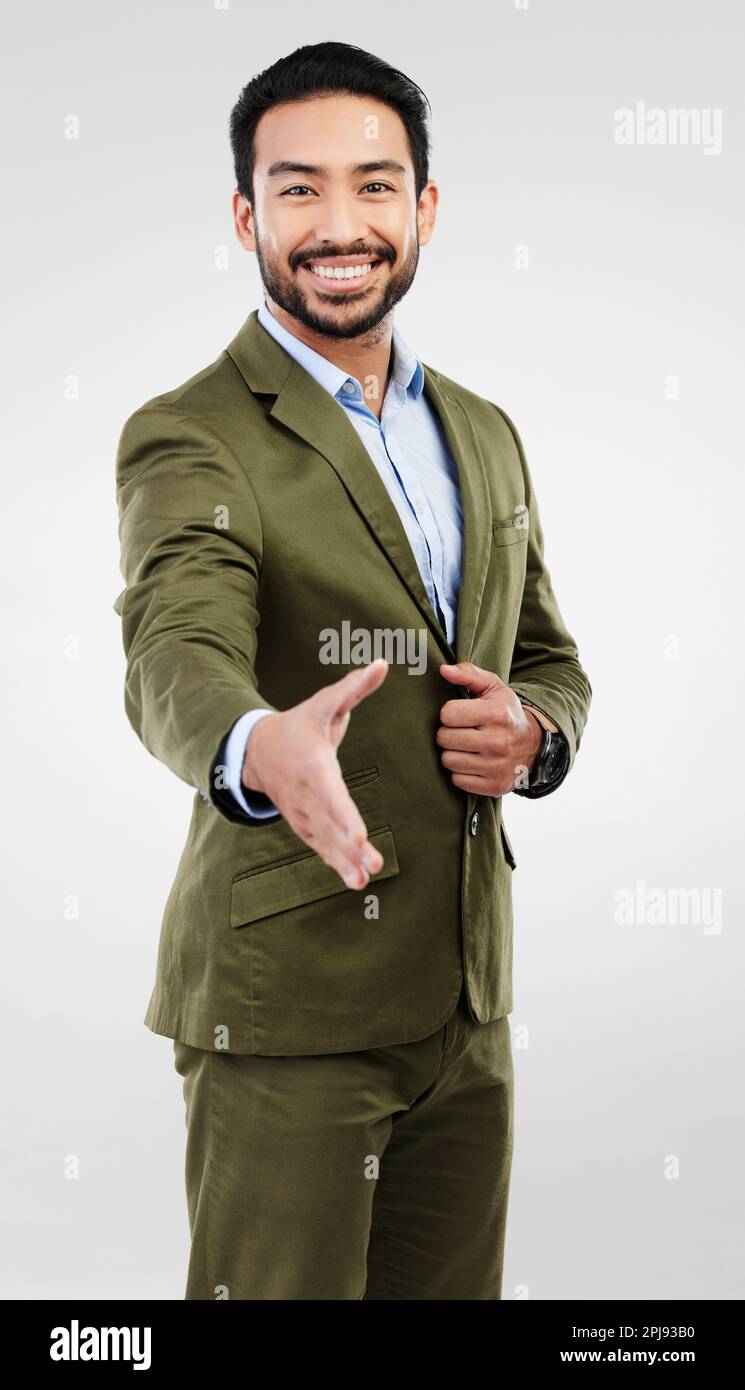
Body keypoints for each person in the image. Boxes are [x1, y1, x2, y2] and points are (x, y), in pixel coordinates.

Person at [114, 41, 592, 1301]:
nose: (341, 226)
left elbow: (545, 655)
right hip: (288, 1016)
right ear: (244, 213)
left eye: (375, 187)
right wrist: (255, 746)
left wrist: (535, 732)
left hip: (464, 1007)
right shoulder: (193, 429)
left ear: (423, 208)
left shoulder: (483, 432)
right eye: (298, 189)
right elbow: (178, 640)